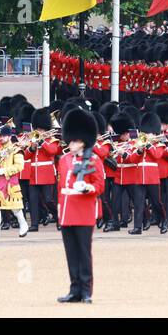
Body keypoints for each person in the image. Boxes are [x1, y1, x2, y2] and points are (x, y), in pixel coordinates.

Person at [57, 107, 104, 304]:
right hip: (67, 212)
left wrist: (87, 187)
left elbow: (100, 185)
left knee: (84, 253)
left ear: (83, 140)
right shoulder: (64, 159)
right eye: (71, 140)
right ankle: (74, 289)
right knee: (71, 254)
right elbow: (61, 186)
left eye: (75, 140)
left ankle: (86, 290)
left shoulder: (93, 159)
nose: (71, 143)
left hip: (83, 211)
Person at [0, 126, 30, 239]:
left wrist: (5, 171)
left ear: (9, 137)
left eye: (4, 136)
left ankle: (23, 225)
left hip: (10, 184)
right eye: (1, 136)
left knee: (16, 209)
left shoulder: (16, 150)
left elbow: (20, 166)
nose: (2, 138)